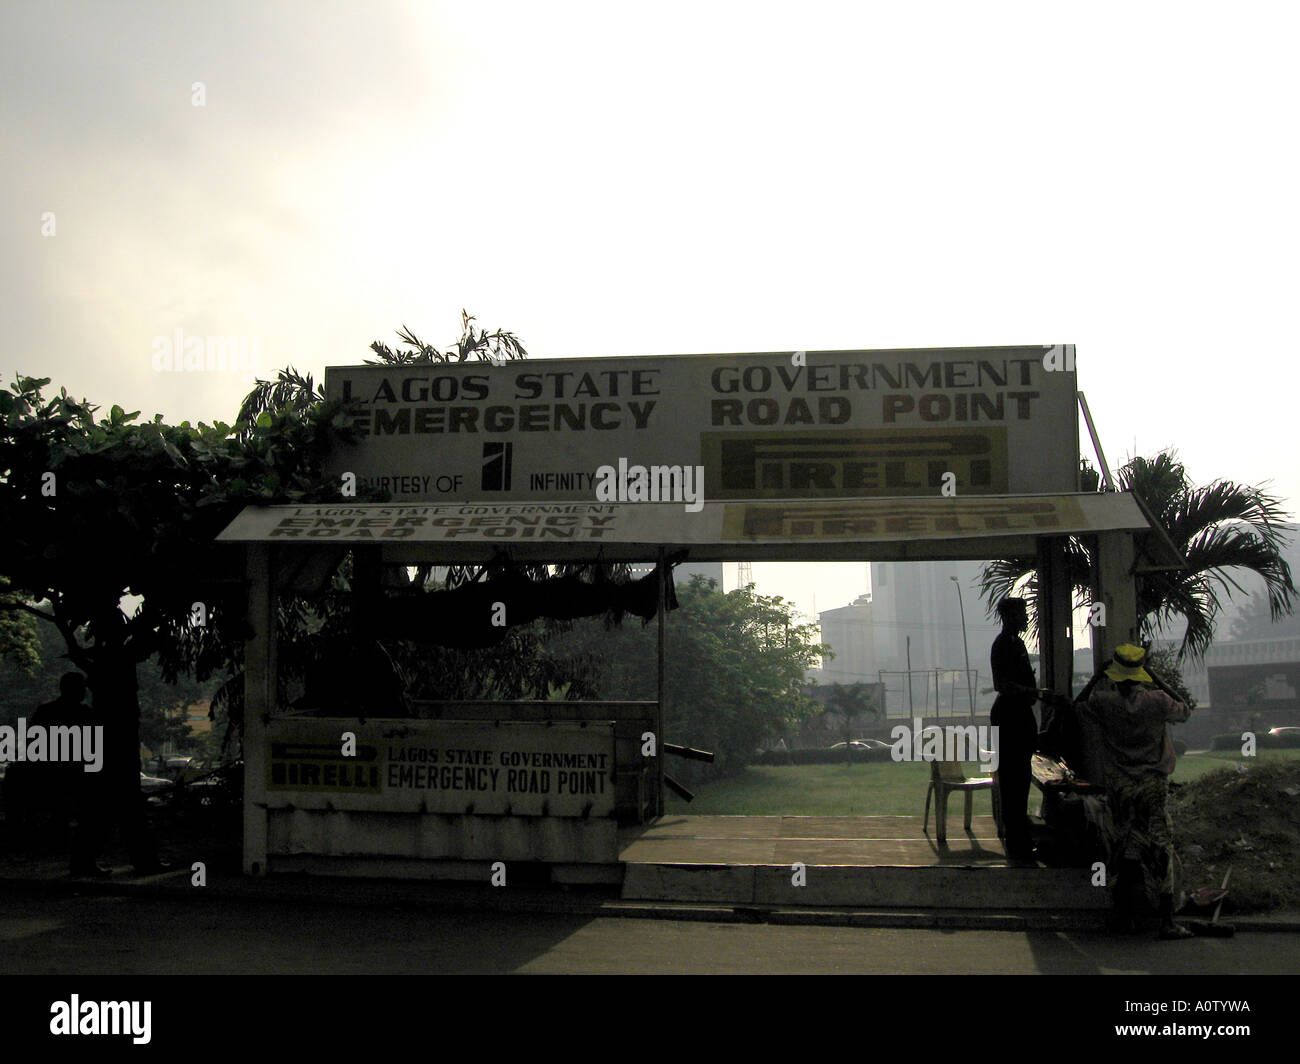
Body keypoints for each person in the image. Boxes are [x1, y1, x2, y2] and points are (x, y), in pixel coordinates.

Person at [1075, 643, 1192, 939]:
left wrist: (1095, 677)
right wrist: (1155, 675)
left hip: (1120, 787)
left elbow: (1077, 705)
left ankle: (1123, 916)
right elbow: (1185, 709)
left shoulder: (1104, 702)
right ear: (1140, 675)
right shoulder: (1158, 701)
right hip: (1151, 785)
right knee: (1159, 847)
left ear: (1114, 675)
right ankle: (1166, 920)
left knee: (1121, 849)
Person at [989, 597, 1052, 861]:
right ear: (1009, 616)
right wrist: (1036, 692)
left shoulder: (1016, 644)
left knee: (1019, 783)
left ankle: (1019, 839)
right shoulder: (1004, 645)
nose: (1026, 619)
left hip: (1017, 720)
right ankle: (1017, 843)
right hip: (1010, 721)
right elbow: (1003, 685)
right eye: (1021, 614)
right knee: (1013, 784)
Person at [29, 673, 108, 876]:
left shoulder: (45, 712)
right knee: (88, 821)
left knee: (63, 819)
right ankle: (84, 862)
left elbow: (33, 747)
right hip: (78, 778)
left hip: (53, 777)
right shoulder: (85, 715)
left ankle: (73, 859)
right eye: (82, 687)